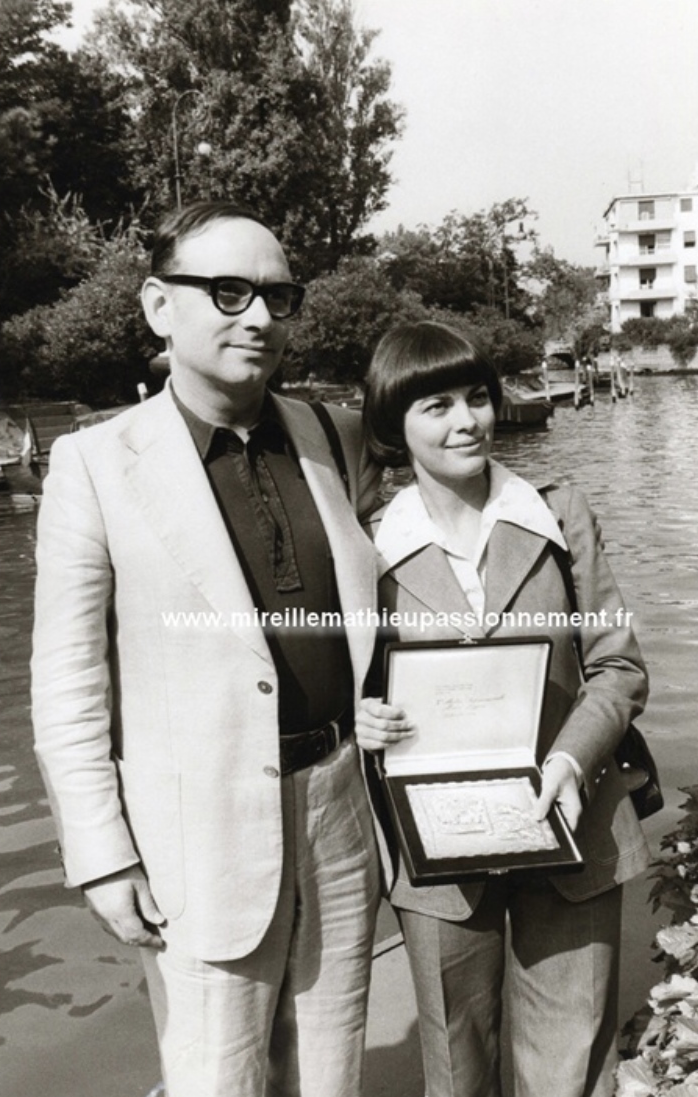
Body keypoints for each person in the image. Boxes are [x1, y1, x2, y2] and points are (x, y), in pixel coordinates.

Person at [31, 200, 382, 1097]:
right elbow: (67, 682)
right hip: (195, 834)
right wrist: (102, 854)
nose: (257, 317)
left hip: (339, 811)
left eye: (276, 295)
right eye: (226, 292)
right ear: (159, 306)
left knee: (331, 1067)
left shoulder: (324, 433)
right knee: (215, 1077)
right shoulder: (95, 461)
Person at [355, 321, 650, 1097]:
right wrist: (366, 718)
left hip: (571, 826)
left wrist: (570, 756)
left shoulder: (559, 516)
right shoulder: (365, 547)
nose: (466, 420)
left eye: (476, 397)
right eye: (435, 405)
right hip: (436, 851)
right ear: (393, 424)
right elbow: (347, 683)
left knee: (572, 1063)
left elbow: (617, 664)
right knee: (456, 1066)